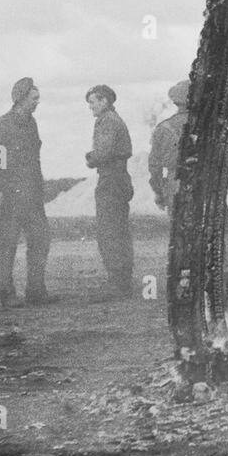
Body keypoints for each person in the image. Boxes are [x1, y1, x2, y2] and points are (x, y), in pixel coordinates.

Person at [0, 77, 56, 307]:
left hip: (31, 196)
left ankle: (36, 291)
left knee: (41, 239)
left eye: (37, 98)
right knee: (8, 243)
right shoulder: (3, 125)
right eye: (34, 98)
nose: (37, 102)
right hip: (9, 197)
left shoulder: (31, 124)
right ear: (21, 99)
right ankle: (7, 294)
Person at [85, 84, 134, 299]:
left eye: (93, 102)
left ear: (104, 101)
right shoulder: (114, 120)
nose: (91, 107)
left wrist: (90, 158)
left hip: (111, 178)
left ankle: (117, 284)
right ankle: (122, 281)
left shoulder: (107, 121)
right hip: (118, 177)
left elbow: (102, 154)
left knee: (109, 231)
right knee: (118, 230)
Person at [148, 80, 190, 213]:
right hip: (205, 184)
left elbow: (154, 165)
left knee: (178, 229)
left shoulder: (163, 128)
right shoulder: (210, 128)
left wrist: (159, 192)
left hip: (175, 184)